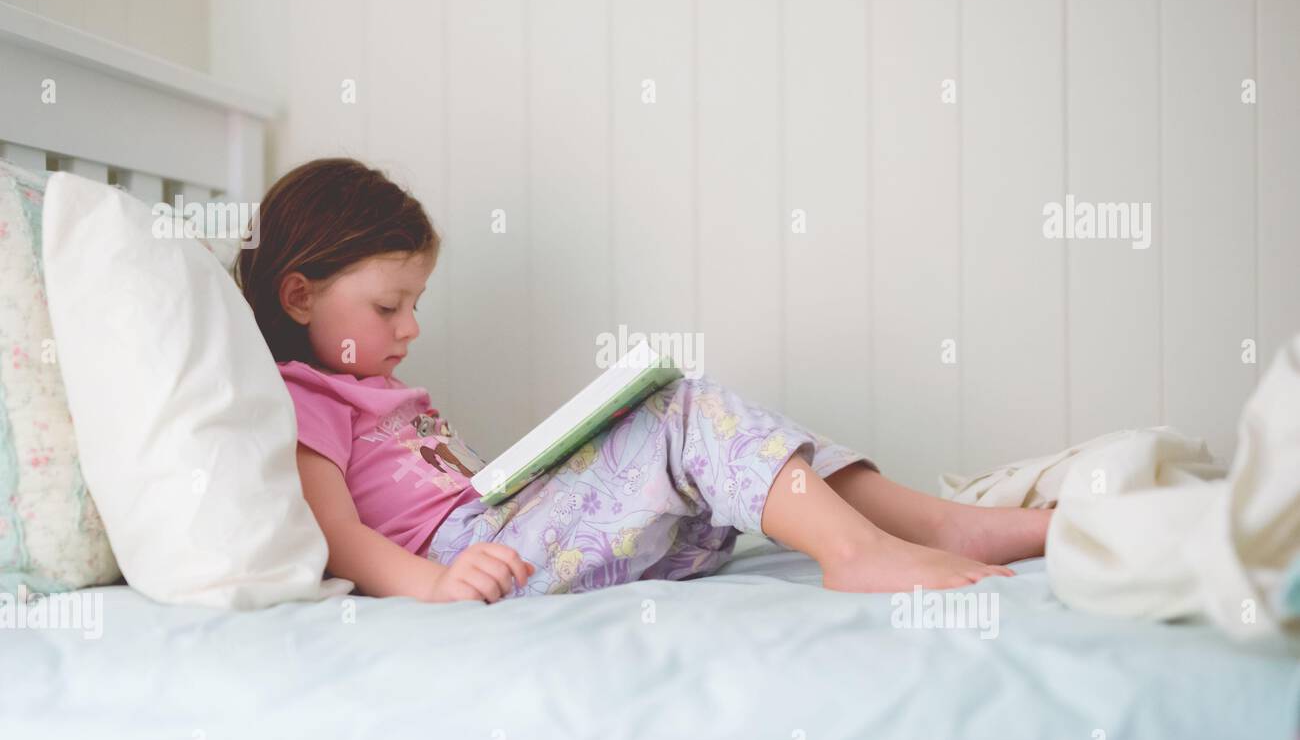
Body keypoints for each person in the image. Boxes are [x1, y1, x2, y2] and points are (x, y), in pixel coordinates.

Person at [236, 158, 1052, 604]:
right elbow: (338, 534)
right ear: (300, 294)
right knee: (686, 412)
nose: (411, 327)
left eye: (416, 303)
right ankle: (858, 551)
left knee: (703, 420)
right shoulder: (306, 397)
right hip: (474, 557)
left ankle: (938, 523)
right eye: (390, 306)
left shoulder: (382, 392)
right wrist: (437, 586)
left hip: (499, 522)